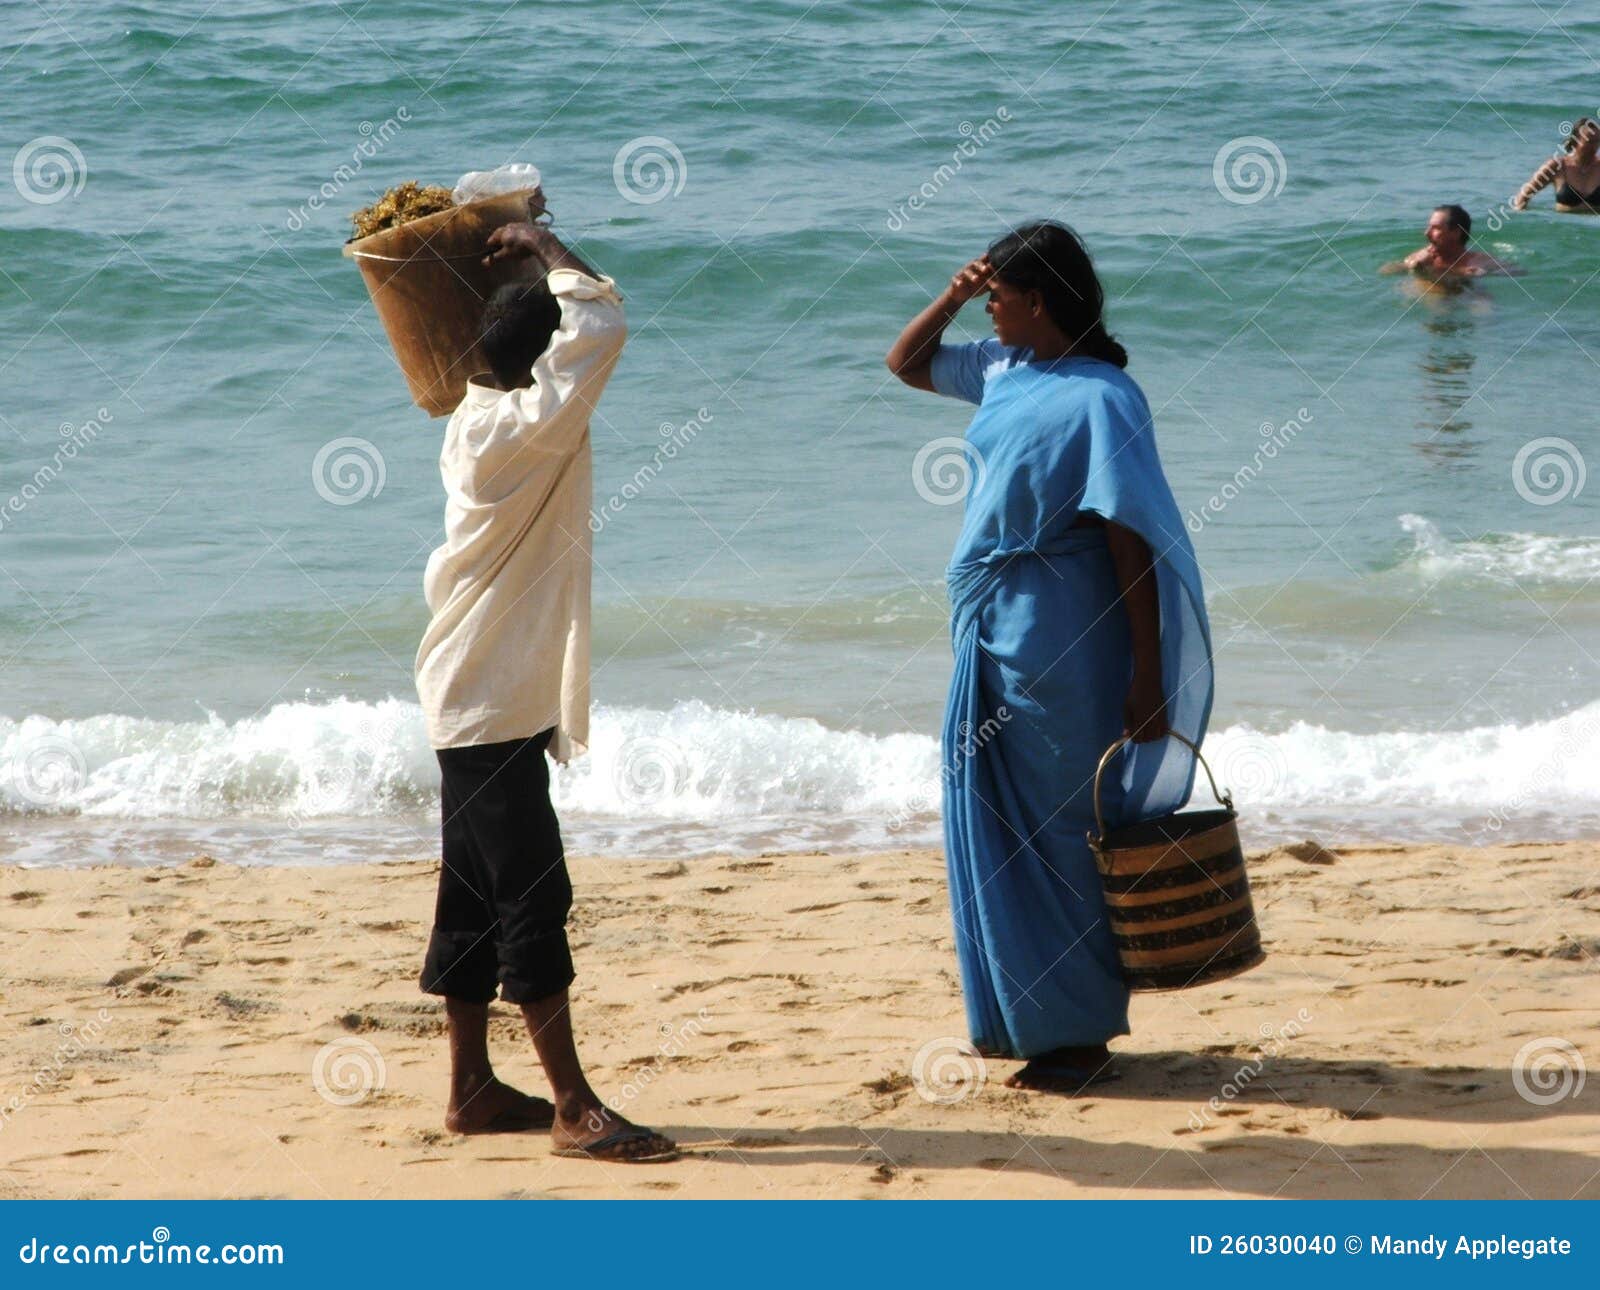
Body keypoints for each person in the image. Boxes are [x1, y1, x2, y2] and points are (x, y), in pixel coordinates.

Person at [885, 221, 1213, 1091]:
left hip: (1066, 634)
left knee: (1066, 827)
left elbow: (1128, 539)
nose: (987, 303)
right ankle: (1025, 1019)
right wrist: (951, 295)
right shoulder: (1003, 370)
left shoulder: (1105, 398)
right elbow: (905, 363)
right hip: (990, 623)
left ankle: (1079, 1035)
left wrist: (1148, 673)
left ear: (1038, 301)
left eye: (997, 294)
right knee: (987, 809)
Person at [413, 217, 678, 1163]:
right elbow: (600, 327)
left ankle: (472, 1090)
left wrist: (530, 270)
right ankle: (572, 1108)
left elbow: (575, 338)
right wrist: (547, 242)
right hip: (488, 699)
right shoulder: (523, 427)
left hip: (475, 693)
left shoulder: (475, 419)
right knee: (532, 893)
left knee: (472, 897)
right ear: (534, 369)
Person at [1381, 205, 1519, 278]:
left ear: (1456, 233)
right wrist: (1410, 266)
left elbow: (1517, 271)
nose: (1426, 233)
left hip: (1464, 295)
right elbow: (1384, 271)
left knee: (1484, 307)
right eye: (1429, 227)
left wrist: (1485, 273)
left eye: (1435, 228)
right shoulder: (1421, 258)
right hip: (1427, 300)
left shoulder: (1478, 261)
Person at [1512, 117, 1600, 213]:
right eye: (1589, 142)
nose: (1594, 146)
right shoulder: (1557, 166)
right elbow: (1524, 194)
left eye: (1597, 141)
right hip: (1563, 225)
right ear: (1576, 141)